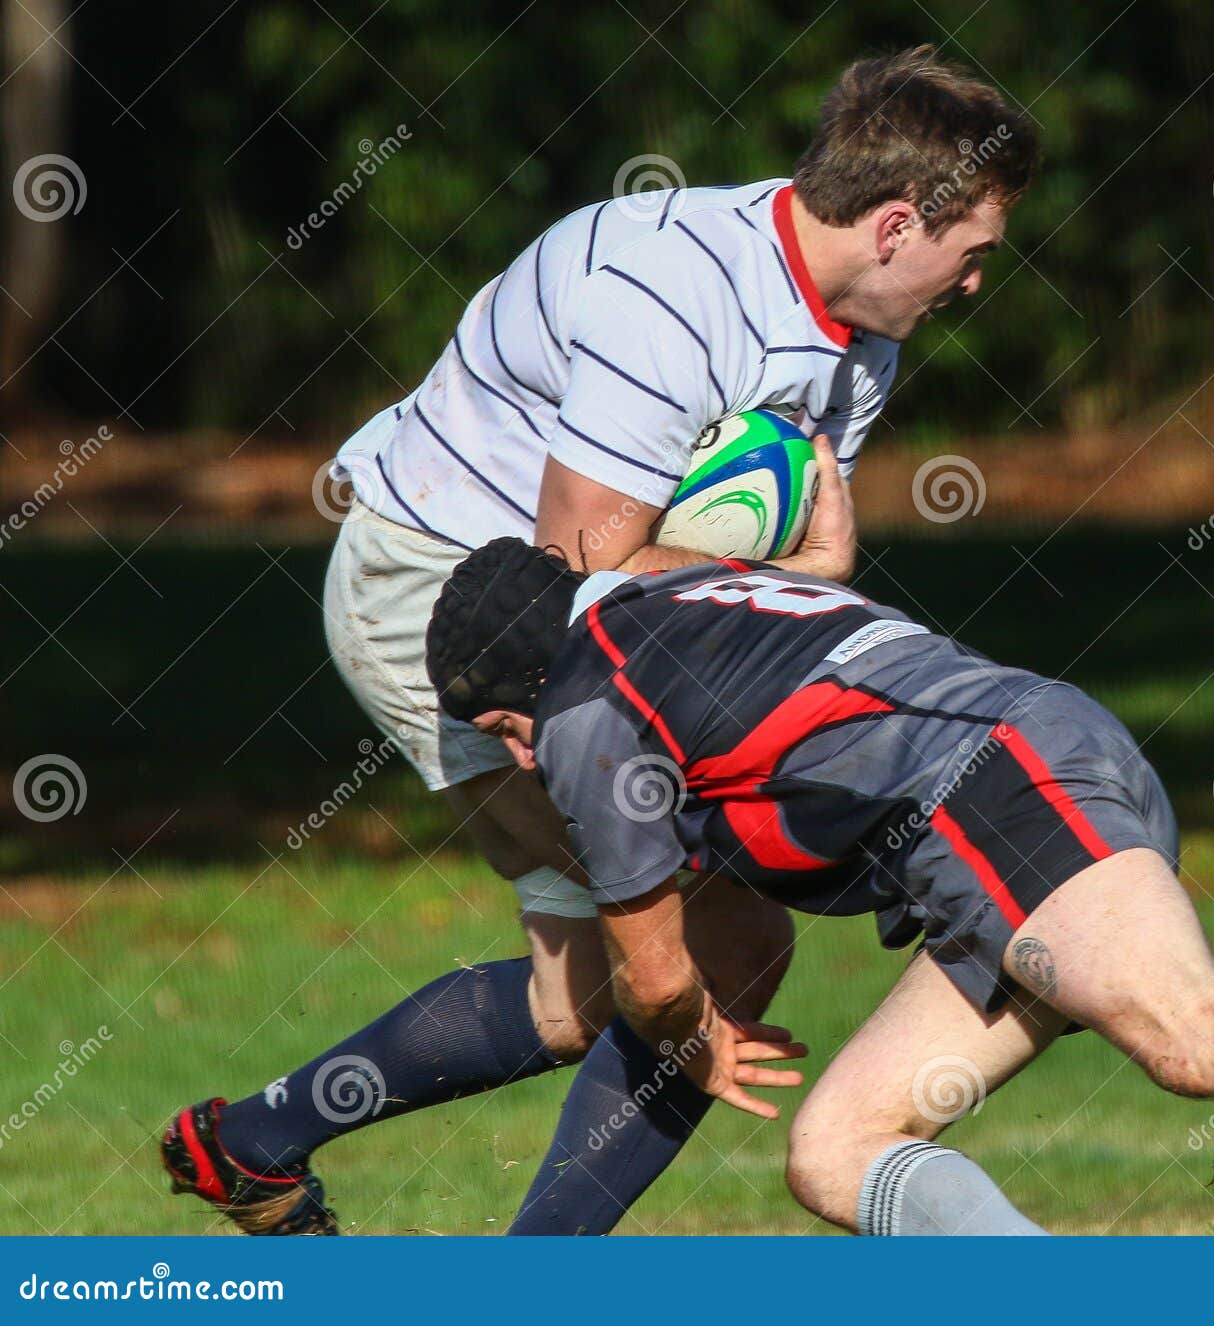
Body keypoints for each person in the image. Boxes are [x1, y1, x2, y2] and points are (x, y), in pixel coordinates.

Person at [161, 45, 1040, 1235]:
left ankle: (254, 1146)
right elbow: (583, 575)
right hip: (449, 599)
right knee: (700, 946)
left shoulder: (855, 339)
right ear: (894, 225)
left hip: (582, 614)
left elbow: (714, 588)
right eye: (971, 252)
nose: (976, 284)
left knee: (622, 984)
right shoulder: (671, 292)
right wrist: (810, 577)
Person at [421, 537, 1214, 1237]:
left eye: (507, 726)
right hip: (1011, 780)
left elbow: (657, 969)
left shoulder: (581, 705)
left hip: (988, 792)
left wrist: (688, 1033)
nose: (521, 755)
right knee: (836, 1150)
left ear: (528, 684)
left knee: (1182, 1026)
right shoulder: (682, 588)